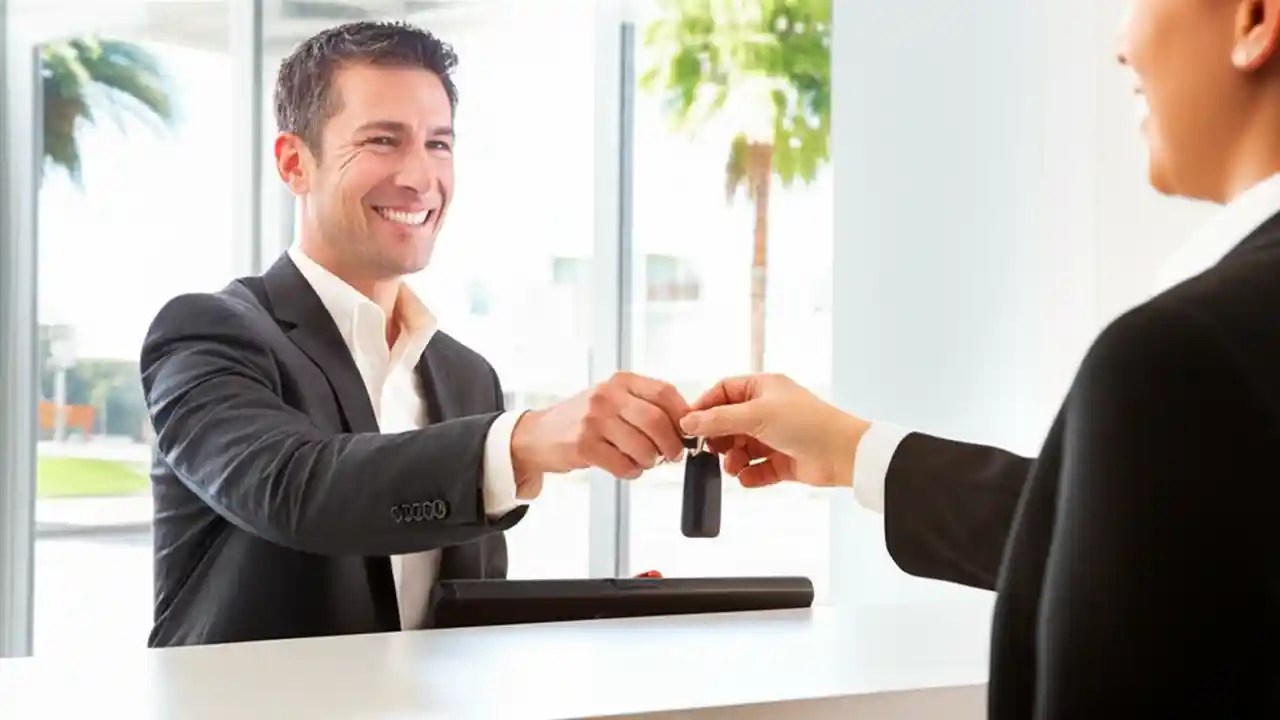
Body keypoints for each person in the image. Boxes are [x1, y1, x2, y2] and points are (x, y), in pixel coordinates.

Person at [680, 0, 1280, 716]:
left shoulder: (1177, 357)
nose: (1122, 44)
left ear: (1254, 19)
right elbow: (1133, 549)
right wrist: (853, 453)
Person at [140, 21, 688, 648]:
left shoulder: (465, 376)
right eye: (383, 141)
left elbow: (455, 618)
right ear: (295, 162)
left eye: (438, 144)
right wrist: (526, 441)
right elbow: (295, 490)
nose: (420, 176)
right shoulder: (206, 335)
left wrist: (604, 623)